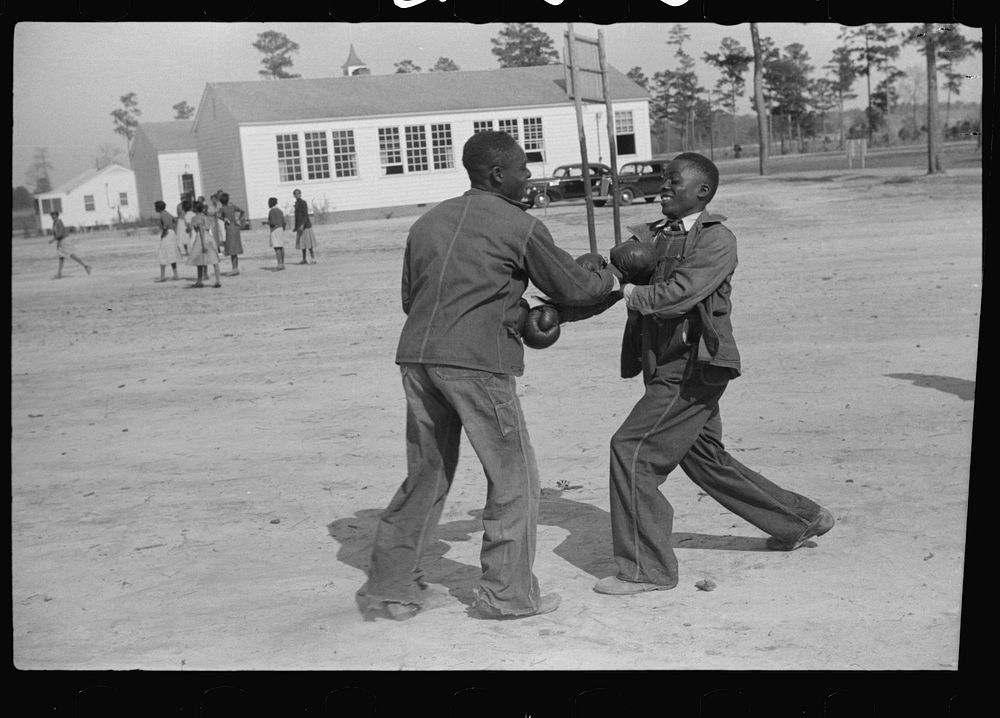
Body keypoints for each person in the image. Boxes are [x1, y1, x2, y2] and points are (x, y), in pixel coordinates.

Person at [355, 130, 623, 621]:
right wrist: (612, 276)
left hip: (417, 359)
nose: (529, 176)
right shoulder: (517, 225)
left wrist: (505, 306)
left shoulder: (427, 222)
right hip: (476, 365)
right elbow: (574, 287)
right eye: (523, 168)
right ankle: (507, 596)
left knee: (427, 473)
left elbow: (412, 301)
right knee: (515, 478)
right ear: (498, 174)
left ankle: (391, 590)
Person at [592, 152, 834, 596]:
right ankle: (802, 519)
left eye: (674, 181)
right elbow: (606, 280)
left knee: (632, 452)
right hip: (660, 364)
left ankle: (648, 569)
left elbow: (678, 296)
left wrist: (623, 290)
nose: (663, 186)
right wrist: (568, 289)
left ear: (701, 192)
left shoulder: (717, 240)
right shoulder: (651, 236)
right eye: (662, 180)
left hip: (692, 368)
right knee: (707, 461)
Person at [187, 200, 221, 288]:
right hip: (209, 237)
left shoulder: (194, 218)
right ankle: (218, 280)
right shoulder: (205, 217)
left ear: (194, 209)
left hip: (201, 238)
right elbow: (208, 227)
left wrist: (202, 243)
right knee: (214, 260)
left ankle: (199, 281)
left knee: (199, 260)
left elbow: (198, 229)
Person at [47, 211, 91, 278]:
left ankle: (86, 266)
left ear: (57, 216)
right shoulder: (55, 223)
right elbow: (56, 234)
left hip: (64, 240)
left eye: (54, 216)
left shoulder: (59, 222)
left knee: (70, 255)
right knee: (62, 257)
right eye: (52, 216)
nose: (53, 217)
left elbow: (60, 234)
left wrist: (53, 240)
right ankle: (59, 273)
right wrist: (57, 242)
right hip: (61, 241)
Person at [217, 192, 245, 276]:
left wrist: (224, 219)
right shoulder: (233, 207)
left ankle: (234, 269)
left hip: (229, 228)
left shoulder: (222, 209)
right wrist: (238, 218)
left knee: (232, 249)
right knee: (235, 248)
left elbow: (218, 216)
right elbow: (242, 211)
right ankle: (235, 268)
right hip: (236, 227)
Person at [153, 200, 182, 282]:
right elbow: (174, 220)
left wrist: (163, 233)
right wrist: (173, 228)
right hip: (172, 233)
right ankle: (175, 274)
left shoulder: (162, 214)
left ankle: (162, 276)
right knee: (171, 253)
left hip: (167, 234)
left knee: (162, 254)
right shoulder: (167, 213)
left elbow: (165, 225)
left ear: (158, 208)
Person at [292, 189, 317, 264]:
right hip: (299, 226)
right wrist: (296, 227)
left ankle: (313, 258)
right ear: (294, 195)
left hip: (305, 226)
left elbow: (305, 215)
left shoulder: (303, 203)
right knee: (302, 243)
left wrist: (302, 225)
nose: (297, 195)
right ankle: (304, 259)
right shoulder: (296, 204)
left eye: (298, 193)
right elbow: (296, 217)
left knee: (308, 243)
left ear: (300, 194)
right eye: (295, 194)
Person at [266, 197, 286, 270]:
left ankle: (279, 264)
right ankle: (282, 263)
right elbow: (284, 222)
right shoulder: (280, 211)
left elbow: (273, 222)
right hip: (281, 228)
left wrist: (266, 223)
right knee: (281, 247)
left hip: (275, 229)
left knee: (277, 247)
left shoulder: (272, 211)